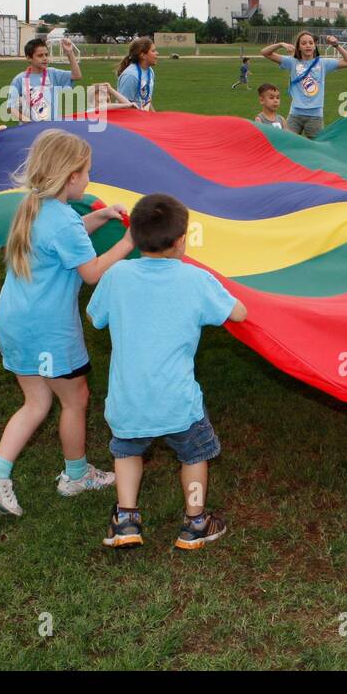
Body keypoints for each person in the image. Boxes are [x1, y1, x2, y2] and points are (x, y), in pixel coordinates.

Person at [0, 129, 134, 517]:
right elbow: (91, 272)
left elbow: (63, 239)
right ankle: (72, 476)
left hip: (15, 321)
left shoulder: (33, 206)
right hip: (47, 329)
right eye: (87, 172)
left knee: (36, 400)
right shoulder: (63, 221)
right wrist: (127, 243)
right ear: (70, 176)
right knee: (74, 398)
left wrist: (99, 216)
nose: (90, 179)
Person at [87, 193, 247, 550]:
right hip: (178, 402)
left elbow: (95, 317)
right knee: (194, 456)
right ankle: (195, 522)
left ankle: (126, 519)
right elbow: (237, 313)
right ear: (180, 241)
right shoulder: (195, 279)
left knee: (127, 453)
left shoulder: (118, 276)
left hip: (129, 398)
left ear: (135, 238)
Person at [260, 31, 347, 138]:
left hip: (315, 116)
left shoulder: (323, 63)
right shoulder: (292, 62)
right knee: (287, 144)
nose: (308, 45)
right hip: (295, 114)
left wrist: (336, 45)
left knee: (316, 148)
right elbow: (265, 52)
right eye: (303, 43)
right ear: (299, 47)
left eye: (310, 43)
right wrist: (281, 44)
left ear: (314, 46)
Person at [9, 38, 83, 122]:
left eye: (46, 55)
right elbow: (11, 107)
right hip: (30, 128)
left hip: (52, 126)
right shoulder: (19, 79)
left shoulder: (53, 73)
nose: (45, 58)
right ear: (29, 58)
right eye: (40, 55)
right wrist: (27, 122)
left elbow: (77, 76)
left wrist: (70, 53)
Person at [115, 38, 159, 111]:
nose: (157, 53)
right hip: (131, 120)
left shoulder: (150, 71)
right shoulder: (130, 76)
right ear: (143, 56)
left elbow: (147, 100)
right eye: (153, 51)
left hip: (143, 119)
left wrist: (155, 117)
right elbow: (123, 106)